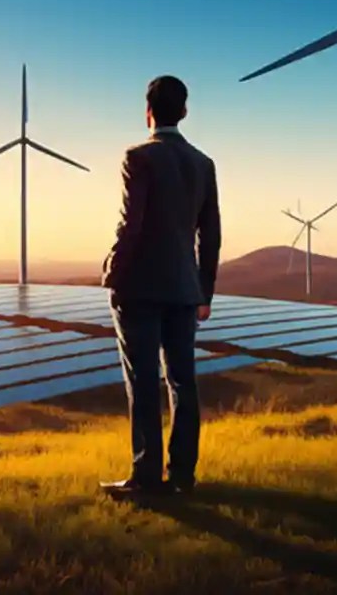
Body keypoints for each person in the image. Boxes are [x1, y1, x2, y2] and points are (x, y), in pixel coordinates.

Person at [99, 75, 221, 498]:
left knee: (143, 380)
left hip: (139, 287)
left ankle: (146, 476)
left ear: (147, 111)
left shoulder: (138, 157)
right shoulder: (203, 164)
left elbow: (130, 224)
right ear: (184, 111)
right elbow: (211, 234)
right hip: (184, 290)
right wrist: (204, 291)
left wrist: (113, 270)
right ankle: (183, 476)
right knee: (183, 382)